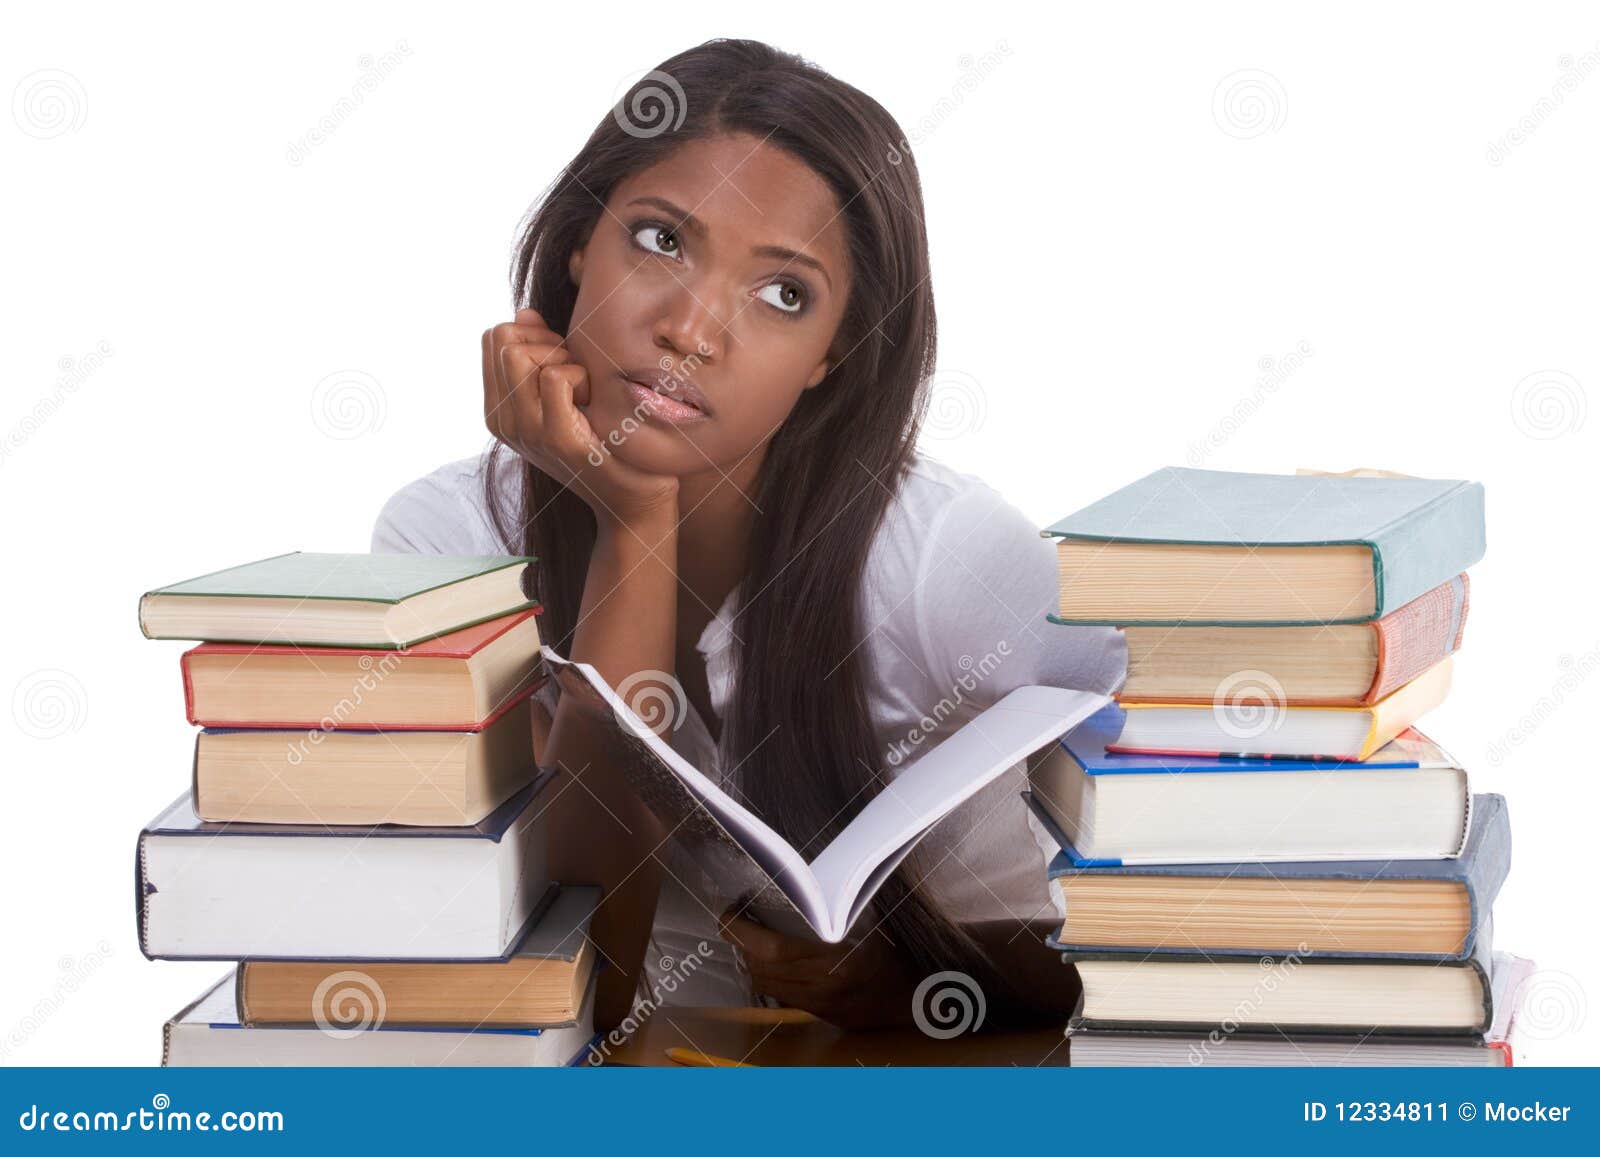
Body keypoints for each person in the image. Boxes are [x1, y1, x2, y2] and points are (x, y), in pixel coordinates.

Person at [372, 38, 1124, 1031]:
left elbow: (1187, 854)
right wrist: (631, 522)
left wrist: (925, 988)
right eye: (660, 240)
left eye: (783, 294)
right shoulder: (449, 539)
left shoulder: (945, 550)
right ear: (575, 246)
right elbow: (577, 979)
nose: (692, 328)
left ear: (830, 357)